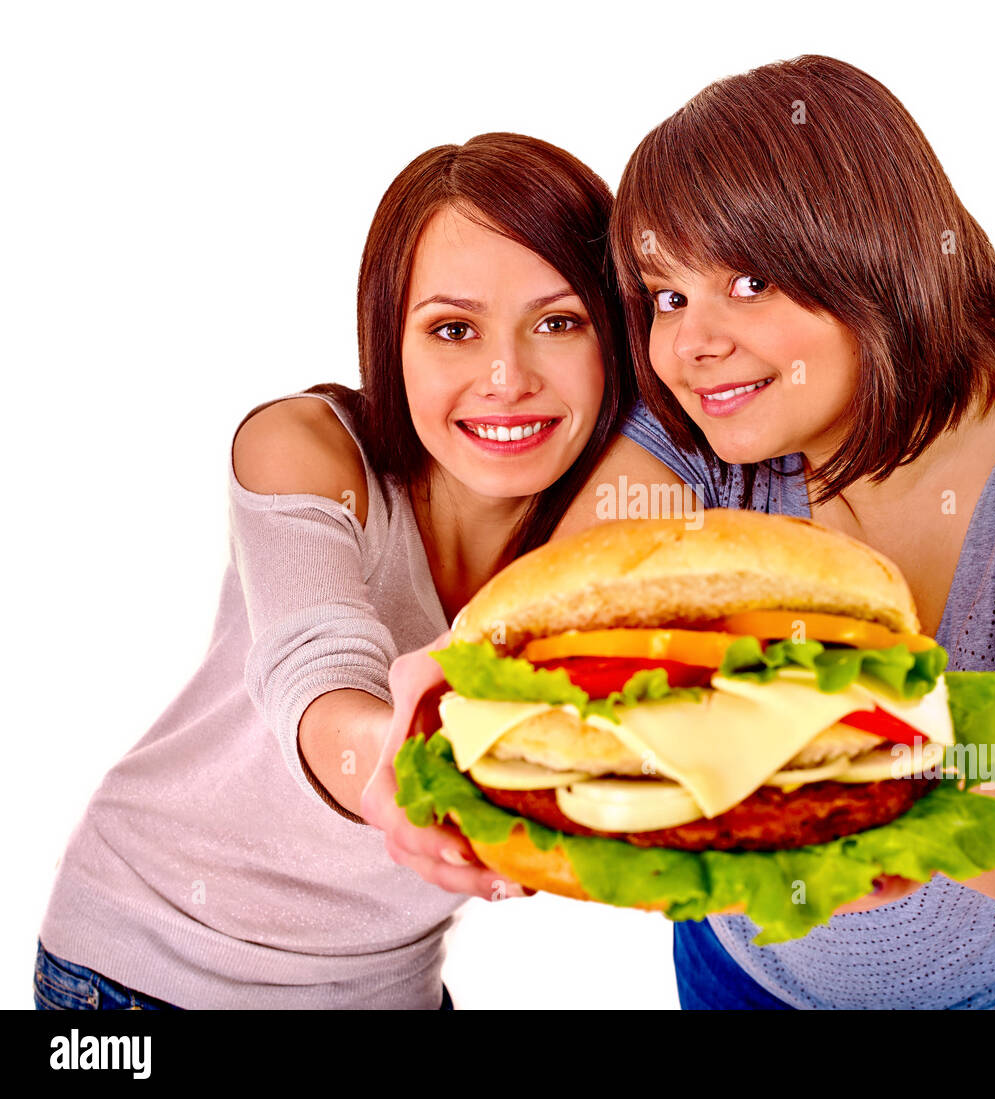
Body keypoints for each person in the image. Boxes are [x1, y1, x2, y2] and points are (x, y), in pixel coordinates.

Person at [520, 54, 995, 1009]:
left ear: (870, 250)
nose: (693, 344)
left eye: (747, 280)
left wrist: (917, 796)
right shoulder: (701, 419)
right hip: (745, 973)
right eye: (667, 295)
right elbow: (564, 603)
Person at [33, 133, 645, 1009]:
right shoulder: (304, 450)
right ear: (388, 339)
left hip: (385, 989)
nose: (506, 376)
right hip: (140, 972)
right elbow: (316, 672)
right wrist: (403, 767)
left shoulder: (618, 520)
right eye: (453, 329)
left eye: (557, 322)